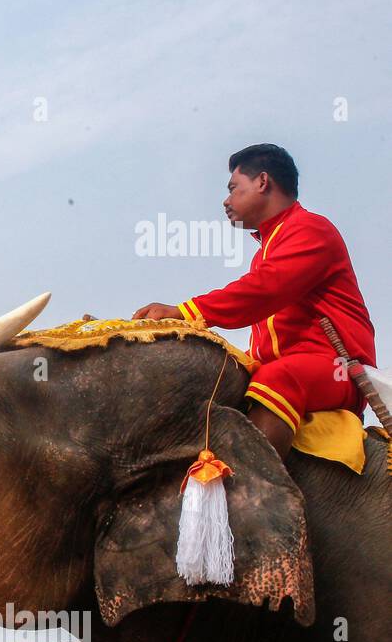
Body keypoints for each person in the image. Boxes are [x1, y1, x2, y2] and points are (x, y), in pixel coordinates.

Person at [133, 144, 376, 458]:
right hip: (283, 364)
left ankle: (260, 497)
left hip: (335, 369)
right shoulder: (269, 245)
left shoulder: (311, 229)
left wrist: (186, 312)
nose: (226, 200)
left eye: (234, 188)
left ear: (263, 182)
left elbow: (264, 289)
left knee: (276, 378)